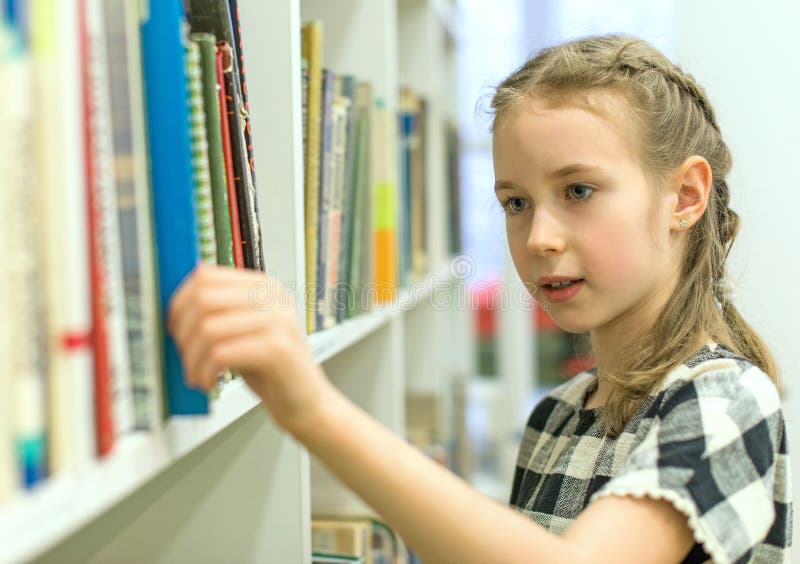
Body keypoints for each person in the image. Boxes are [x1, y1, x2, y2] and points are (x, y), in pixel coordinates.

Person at [167, 34, 791, 563]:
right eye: (516, 203)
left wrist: (309, 408)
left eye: (577, 190)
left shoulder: (726, 402)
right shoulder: (559, 414)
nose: (539, 238)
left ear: (685, 196)